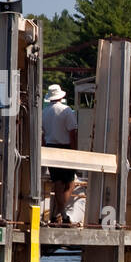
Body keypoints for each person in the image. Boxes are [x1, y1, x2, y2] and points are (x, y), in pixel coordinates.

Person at [42, 83, 78, 223]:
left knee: (58, 182)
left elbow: (43, 134)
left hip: (50, 147)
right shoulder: (66, 110)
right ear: (61, 96)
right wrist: (74, 152)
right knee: (69, 183)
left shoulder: (44, 112)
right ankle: (61, 213)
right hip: (65, 148)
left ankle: (58, 213)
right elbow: (72, 133)